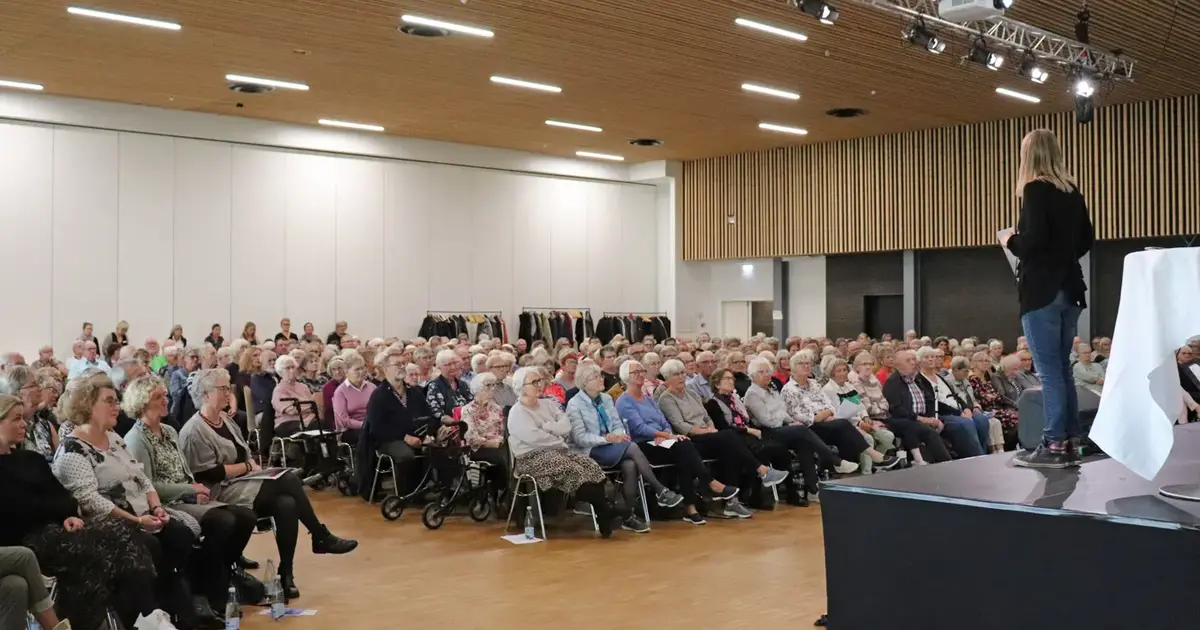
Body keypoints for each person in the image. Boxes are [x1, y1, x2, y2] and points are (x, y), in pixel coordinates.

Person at [179, 369, 356, 601]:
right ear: (204, 395)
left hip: (241, 482)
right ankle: (320, 536)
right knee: (290, 479)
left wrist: (253, 467)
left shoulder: (226, 421)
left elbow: (245, 453)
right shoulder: (194, 430)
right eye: (222, 389)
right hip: (218, 492)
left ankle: (287, 573)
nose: (228, 393)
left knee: (287, 503)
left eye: (228, 387)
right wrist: (248, 469)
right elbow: (208, 473)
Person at [51, 374, 207, 629]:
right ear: (87, 405)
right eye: (109, 401)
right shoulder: (72, 450)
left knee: (179, 534)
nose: (117, 407)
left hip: (141, 514)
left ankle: (166, 611)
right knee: (149, 545)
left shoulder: (113, 438)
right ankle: (149, 615)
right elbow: (90, 501)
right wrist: (137, 520)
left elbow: (142, 478)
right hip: (106, 525)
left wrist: (157, 508)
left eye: (117, 400)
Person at [122, 375, 256, 615]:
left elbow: (184, 471)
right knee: (223, 522)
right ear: (143, 403)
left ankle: (221, 576)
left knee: (245, 517)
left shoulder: (170, 431)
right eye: (158, 397)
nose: (166, 400)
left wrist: (196, 489)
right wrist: (189, 490)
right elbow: (148, 485)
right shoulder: (136, 439)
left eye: (165, 394)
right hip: (165, 503)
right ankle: (209, 590)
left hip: (187, 497)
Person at [1000, 129, 1094, 467]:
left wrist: (1011, 240)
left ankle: (1053, 442)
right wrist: (1060, 254)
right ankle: (1071, 437)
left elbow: (1033, 241)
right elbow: (1085, 241)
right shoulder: (1071, 191)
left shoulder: (1034, 189)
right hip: (1070, 288)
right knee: (1063, 370)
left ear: (1029, 155)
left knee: (1049, 372)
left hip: (1041, 290)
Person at [507, 367, 624, 538]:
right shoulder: (517, 412)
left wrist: (548, 428)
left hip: (559, 451)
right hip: (531, 457)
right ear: (520, 387)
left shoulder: (548, 404)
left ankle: (604, 514)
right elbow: (533, 438)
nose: (540, 385)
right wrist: (556, 436)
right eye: (534, 382)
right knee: (572, 469)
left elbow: (566, 426)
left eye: (540, 381)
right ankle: (605, 511)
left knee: (589, 465)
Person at [565, 363, 683, 532]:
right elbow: (580, 438)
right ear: (584, 382)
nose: (601, 379)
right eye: (596, 377)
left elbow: (617, 424)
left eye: (600, 375)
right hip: (589, 450)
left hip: (612, 445)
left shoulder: (605, 399)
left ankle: (629, 515)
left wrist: (618, 435)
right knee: (633, 447)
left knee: (630, 464)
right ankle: (660, 490)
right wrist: (606, 438)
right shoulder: (575, 404)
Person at [617, 360, 736, 525]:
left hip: (662, 440)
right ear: (625, 377)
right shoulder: (624, 401)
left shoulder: (648, 399)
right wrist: (664, 435)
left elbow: (664, 420)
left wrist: (666, 434)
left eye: (641, 371)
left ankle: (691, 507)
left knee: (685, 449)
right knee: (684, 447)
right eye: (635, 372)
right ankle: (709, 484)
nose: (640, 375)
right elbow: (639, 427)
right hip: (643, 445)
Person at [657, 359, 789, 500]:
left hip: (708, 434)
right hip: (692, 439)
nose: (681, 377)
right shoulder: (666, 399)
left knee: (730, 448)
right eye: (676, 374)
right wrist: (708, 431)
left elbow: (706, 416)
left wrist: (711, 428)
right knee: (730, 436)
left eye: (683, 373)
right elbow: (682, 426)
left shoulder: (692, 393)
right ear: (667, 378)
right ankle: (761, 470)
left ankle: (733, 501)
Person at [713, 366, 812, 506]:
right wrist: (748, 430)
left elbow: (745, 418)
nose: (731, 381)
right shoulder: (713, 403)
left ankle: (792, 493)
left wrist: (749, 429)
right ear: (717, 384)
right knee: (763, 451)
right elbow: (724, 427)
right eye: (727, 379)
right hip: (733, 437)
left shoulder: (735, 399)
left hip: (748, 432)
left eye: (731, 378)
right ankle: (755, 496)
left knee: (780, 450)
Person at [782, 353, 898, 471]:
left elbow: (831, 405)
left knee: (845, 432)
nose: (806, 366)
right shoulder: (789, 389)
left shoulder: (814, 384)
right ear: (792, 368)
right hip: (810, 428)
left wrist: (827, 414)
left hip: (827, 422)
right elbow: (795, 414)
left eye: (808, 363)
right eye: (801, 364)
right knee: (843, 425)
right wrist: (818, 417)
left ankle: (854, 468)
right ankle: (873, 457)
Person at [361, 347, 433, 501]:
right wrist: (405, 437)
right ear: (386, 369)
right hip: (388, 440)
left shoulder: (413, 393)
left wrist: (429, 433)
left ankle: (425, 488)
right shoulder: (379, 395)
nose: (402, 367)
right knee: (405, 454)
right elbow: (377, 427)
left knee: (438, 448)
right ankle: (406, 494)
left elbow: (428, 415)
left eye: (403, 364)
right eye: (397, 364)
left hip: (416, 436)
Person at [823, 358, 897, 473]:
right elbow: (839, 413)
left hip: (860, 420)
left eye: (844, 370)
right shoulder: (828, 390)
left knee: (888, 436)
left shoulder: (849, 386)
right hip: (846, 425)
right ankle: (866, 472)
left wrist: (865, 417)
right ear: (832, 373)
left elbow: (860, 405)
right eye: (839, 371)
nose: (843, 373)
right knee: (867, 439)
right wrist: (859, 423)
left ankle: (876, 463)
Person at [881, 350, 951, 464]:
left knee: (948, 426)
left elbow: (930, 400)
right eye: (908, 361)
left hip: (922, 418)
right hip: (904, 420)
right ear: (898, 365)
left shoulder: (918, 379)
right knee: (928, 432)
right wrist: (924, 419)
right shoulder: (892, 383)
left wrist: (932, 417)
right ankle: (947, 463)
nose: (913, 363)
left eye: (914, 359)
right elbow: (898, 410)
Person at [916, 347, 986, 458]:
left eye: (933, 357)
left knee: (981, 420)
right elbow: (935, 402)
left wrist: (966, 408)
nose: (931, 359)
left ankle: (982, 452)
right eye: (927, 357)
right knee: (965, 424)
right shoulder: (919, 380)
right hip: (941, 414)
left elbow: (955, 395)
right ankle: (976, 457)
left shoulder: (940, 377)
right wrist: (959, 413)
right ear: (919, 361)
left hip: (957, 409)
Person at [458, 372, 510, 499]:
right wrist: (490, 443)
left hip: (499, 445)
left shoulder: (496, 408)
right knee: (501, 458)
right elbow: (470, 436)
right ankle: (501, 492)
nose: (492, 389)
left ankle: (504, 493)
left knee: (508, 455)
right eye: (488, 385)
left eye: (494, 385)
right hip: (478, 448)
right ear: (478, 388)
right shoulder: (468, 410)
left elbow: (501, 431)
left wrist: (500, 441)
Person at [945, 356, 1004, 453]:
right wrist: (964, 411)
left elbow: (972, 399)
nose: (966, 373)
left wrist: (977, 407)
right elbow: (953, 401)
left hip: (972, 409)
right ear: (955, 369)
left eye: (968, 371)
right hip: (960, 411)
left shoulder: (965, 380)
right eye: (964, 371)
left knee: (983, 420)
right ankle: (978, 452)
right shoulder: (948, 382)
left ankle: (985, 450)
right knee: (972, 423)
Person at [332, 353, 374, 446]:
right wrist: (364, 425)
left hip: (373, 426)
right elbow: (344, 420)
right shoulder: (340, 392)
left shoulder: (372, 387)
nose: (362, 371)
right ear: (346, 372)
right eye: (357, 369)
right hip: (350, 430)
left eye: (363, 368)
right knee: (369, 436)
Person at [425, 350, 472, 424]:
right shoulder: (434, 386)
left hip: (467, 423)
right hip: (448, 427)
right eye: (448, 364)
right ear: (439, 367)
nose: (453, 367)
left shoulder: (463, 385)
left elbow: (472, 404)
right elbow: (436, 412)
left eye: (455, 363)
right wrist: (456, 423)